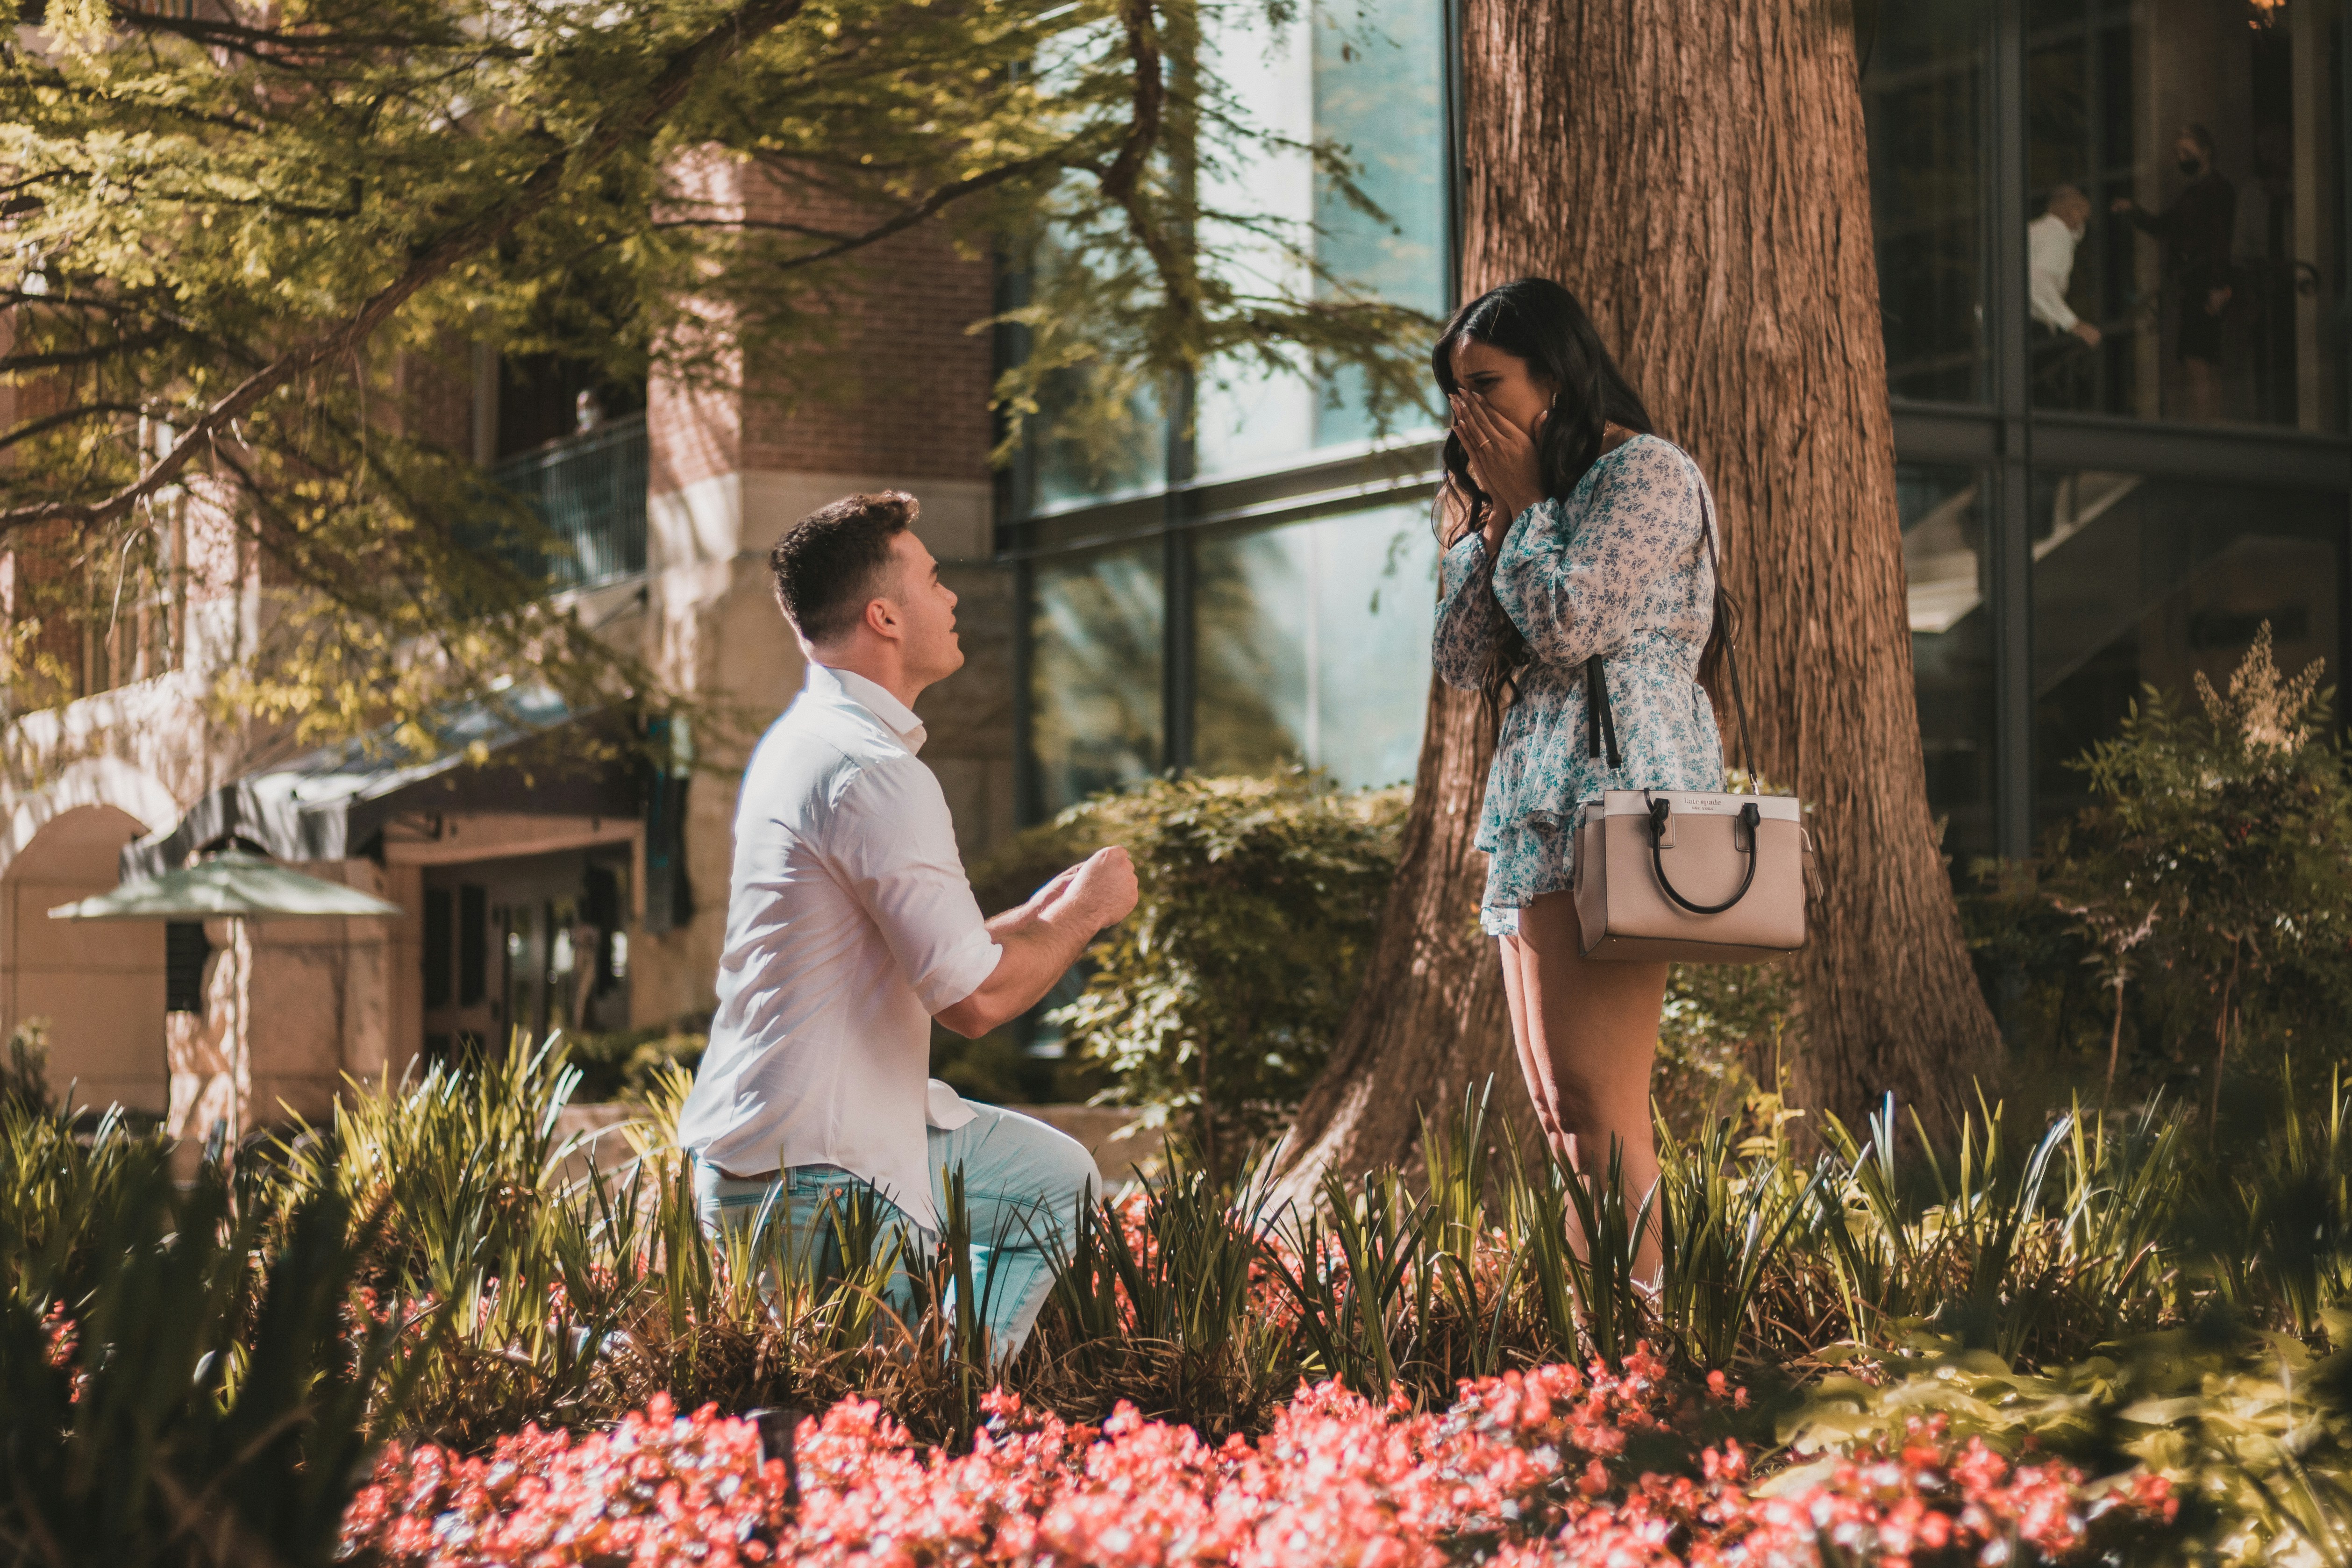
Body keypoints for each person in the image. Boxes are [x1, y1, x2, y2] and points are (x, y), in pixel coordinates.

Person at [676, 490, 1139, 1360]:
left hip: (784, 1152)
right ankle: (949, 1399)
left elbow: (927, 955)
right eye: (932, 579)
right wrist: (1090, 909)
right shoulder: (874, 771)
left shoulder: (805, 741)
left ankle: (958, 1377)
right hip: (819, 1176)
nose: (952, 596)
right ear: (883, 616)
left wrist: (1041, 912)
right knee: (868, 1420)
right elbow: (973, 1001)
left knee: (1057, 1180)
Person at [1431, 278, 1728, 1284]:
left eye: (1485, 385)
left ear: (1552, 379)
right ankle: (1587, 1335)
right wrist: (1494, 519)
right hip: (1536, 796)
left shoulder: (1646, 472)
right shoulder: (1526, 503)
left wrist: (1524, 508)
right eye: (1454, 393)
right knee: (1560, 1109)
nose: (1465, 412)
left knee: (1601, 1104)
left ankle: (1644, 1337)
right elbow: (1463, 659)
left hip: (1618, 783)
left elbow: (1569, 623)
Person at [2113, 124, 2236, 421]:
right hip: (2193, 282)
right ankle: (2208, 425)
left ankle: (2208, 427)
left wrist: (2218, 285)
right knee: (2198, 357)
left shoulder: (2217, 190)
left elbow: (2221, 240)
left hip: (2205, 281)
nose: (2181, 158)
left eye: (2187, 152)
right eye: (2178, 153)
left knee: (2199, 357)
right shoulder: (2192, 193)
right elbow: (2165, 226)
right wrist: (2134, 212)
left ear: (2205, 152)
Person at [2029, 184, 2099, 407]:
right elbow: (2037, 282)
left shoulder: (2036, 230)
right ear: (2072, 212)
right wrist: (2073, 323)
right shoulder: (2057, 233)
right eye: (2083, 216)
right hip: (2029, 326)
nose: (2083, 224)